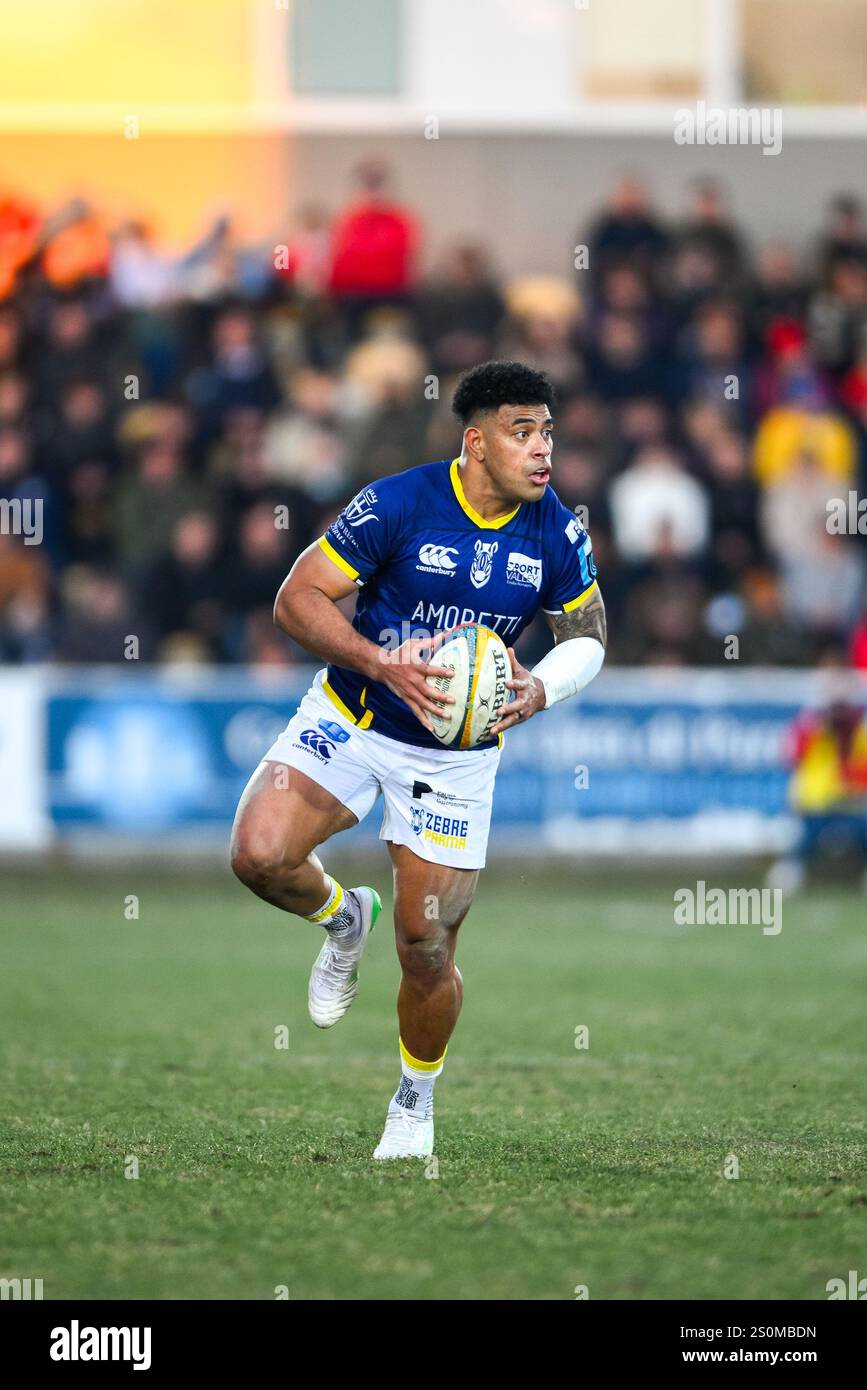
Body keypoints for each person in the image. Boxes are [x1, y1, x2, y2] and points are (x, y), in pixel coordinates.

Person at [230, 361, 606, 1159]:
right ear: (475, 442)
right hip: (356, 712)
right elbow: (296, 598)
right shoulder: (400, 501)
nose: (543, 450)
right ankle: (342, 918)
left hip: (458, 756)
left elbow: (590, 640)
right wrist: (380, 660)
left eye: (547, 432)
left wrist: (537, 692)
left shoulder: (557, 532)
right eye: (521, 431)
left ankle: (413, 1101)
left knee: (425, 946)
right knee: (259, 856)